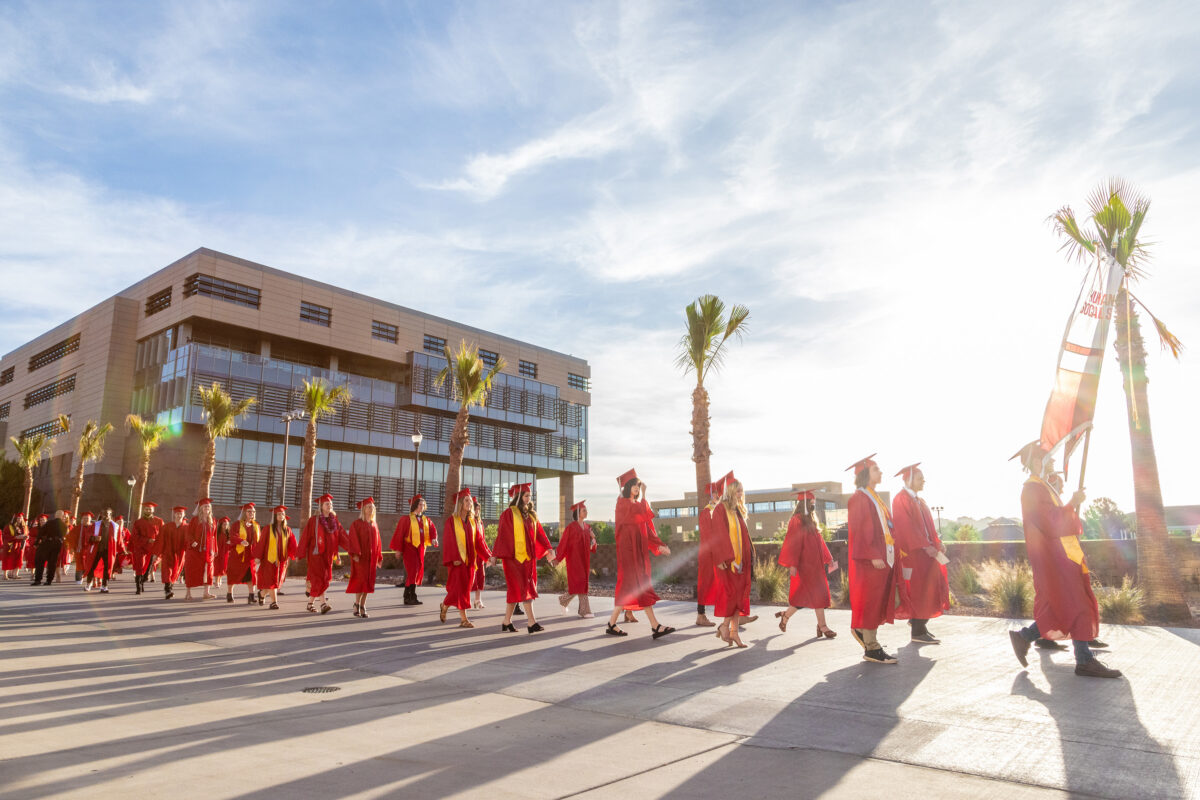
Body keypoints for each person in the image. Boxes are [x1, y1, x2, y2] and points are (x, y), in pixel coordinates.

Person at [1007, 441, 1121, 679]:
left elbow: (1056, 518)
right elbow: (1049, 521)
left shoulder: (1042, 486)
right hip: (1053, 558)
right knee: (1075, 604)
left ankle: (1025, 637)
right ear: (1038, 461)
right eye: (1050, 458)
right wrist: (1072, 504)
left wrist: (1070, 505)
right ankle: (1084, 660)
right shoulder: (1032, 489)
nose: (1054, 462)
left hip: (1061, 554)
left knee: (1063, 606)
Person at [846, 454, 909, 665]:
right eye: (876, 470)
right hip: (871, 560)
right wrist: (873, 554)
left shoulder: (874, 496)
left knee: (883, 599)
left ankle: (863, 631)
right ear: (865, 474)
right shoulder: (859, 498)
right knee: (872, 601)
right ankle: (872, 648)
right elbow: (860, 530)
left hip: (885, 557)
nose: (880, 472)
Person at [606, 469, 675, 640]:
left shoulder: (636, 505)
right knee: (635, 586)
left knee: (631, 588)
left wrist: (659, 546)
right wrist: (645, 494)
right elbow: (638, 516)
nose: (637, 488)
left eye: (639, 485)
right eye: (635, 485)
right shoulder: (622, 504)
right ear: (628, 486)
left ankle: (612, 624)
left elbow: (647, 529)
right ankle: (655, 626)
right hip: (628, 554)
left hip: (638, 554)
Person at [891, 464, 949, 644]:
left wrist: (937, 543)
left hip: (927, 553)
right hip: (914, 554)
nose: (923, 481)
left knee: (930, 589)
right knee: (919, 590)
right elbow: (906, 528)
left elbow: (928, 528)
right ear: (909, 480)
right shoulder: (901, 499)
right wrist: (925, 546)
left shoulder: (919, 500)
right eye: (919, 478)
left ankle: (920, 625)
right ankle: (917, 630)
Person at [491, 483, 554, 632]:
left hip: (527, 558)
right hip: (513, 559)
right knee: (524, 588)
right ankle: (532, 622)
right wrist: (494, 555)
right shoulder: (508, 514)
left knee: (516, 590)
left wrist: (549, 548)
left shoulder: (531, 515)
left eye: (529, 496)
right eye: (526, 496)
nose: (528, 499)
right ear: (519, 497)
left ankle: (506, 621)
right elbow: (502, 536)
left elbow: (540, 533)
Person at [776, 491, 838, 638]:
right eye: (810, 501)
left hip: (815, 565)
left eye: (813, 502)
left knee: (817, 595)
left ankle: (788, 617)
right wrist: (793, 564)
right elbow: (793, 542)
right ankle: (821, 626)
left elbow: (820, 542)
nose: (813, 504)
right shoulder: (797, 520)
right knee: (807, 595)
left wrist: (828, 559)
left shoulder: (811, 520)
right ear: (803, 503)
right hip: (804, 565)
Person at [710, 475, 754, 648]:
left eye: (742, 490)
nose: (740, 493)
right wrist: (726, 559)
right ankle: (724, 626)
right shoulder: (721, 509)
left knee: (738, 598)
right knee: (731, 596)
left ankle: (733, 632)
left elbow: (743, 537)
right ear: (730, 491)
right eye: (737, 490)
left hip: (741, 562)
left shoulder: (738, 510)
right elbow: (719, 535)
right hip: (728, 562)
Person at [440, 488, 491, 628]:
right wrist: (454, 557)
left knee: (464, 589)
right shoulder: (452, 521)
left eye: (470, 501)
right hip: (458, 561)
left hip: (470, 562)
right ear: (461, 503)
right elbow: (449, 540)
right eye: (466, 500)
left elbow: (479, 542)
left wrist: (488, 556)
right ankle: (464, 619)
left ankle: (444, 605)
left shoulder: (473, 522)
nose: (469, 503)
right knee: (460, 589)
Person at [297, 493, 346, 614]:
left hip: (328, 556)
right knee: (318, 579)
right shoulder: (314, 520)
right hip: (316, 554)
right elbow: (305, 537)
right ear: (321, 506)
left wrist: (349, 550)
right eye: (327, 503)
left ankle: (310, 604)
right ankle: (323, 604)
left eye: (330, 504)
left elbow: (341, 537)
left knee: (325, 579)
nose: (329, 505)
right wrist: (300, 553)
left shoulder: (334, 521)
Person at [391, 495, 438, 606]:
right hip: (409, 548)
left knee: (417, 572)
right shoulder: (406, 519)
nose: (422, 506)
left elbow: (433, 530)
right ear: (415, 506)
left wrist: (434, 539)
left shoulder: (426, 520)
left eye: (423, 504)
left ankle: (409, 596)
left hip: (421, 549)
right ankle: (410, 596)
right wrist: (398, 549)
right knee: (413, 571)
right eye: (420, 504)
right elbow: (399, 535)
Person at [555, 500, 596, 618]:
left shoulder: (588, 527)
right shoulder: (571, 527)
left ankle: (563, 600)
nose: (586, 512)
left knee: (580, 585)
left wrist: (593, 538)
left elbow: (591, 545)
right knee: (580, 583)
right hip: (574, 560)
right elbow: (564, 543)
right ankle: (585, 611)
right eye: (584, 510)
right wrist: (558, 558)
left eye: (586, 510)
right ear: (578, 512)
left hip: (584, 560)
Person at [695, 477, 725, 627]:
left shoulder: (718, 511)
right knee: (705, 583)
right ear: (712, 495)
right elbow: (708, 537)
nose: (718, 497)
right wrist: (717, 555)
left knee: (722, 583)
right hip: (709, 554)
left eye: (720, 494)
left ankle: (732, 614)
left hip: (717, 552)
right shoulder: (707, 512)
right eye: (716, 494)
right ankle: (701, 615)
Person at [346, 497, 383, 618]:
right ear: (363, 509)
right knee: (361, 581)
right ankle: (356, 604)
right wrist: (355, 554)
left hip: (371, 558)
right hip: (361, 558)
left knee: (368, 581)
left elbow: (378, 542)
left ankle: (363, 605)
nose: (371, 508)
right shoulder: (356, 524)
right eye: (368, 506)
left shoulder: (374, 524)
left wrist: (378, 556)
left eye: (372, 506)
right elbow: (352, 539)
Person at [253, 506, 294, 610]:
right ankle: (274, 602)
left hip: (282, 560)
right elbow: (262, 543)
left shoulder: (287, 530)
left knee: (275, 582)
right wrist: (258, 556)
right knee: (272, 582)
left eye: (283, 514)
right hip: (269, 560)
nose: (281, 516)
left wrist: (296, 554)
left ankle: (262, 594)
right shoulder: (268, 528)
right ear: (275, 516)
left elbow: (292, 544)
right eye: (279, 514)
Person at [225, 504, 261, 605]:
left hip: (250, 555)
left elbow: (259, 541)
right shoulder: (237, 524)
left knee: (251, 575)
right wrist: (241, 541)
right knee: (233, 574)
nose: (252, 513)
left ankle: (251, 596)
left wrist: (259, 554)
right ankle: (229, 594)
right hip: (238, 554)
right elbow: (232, 536)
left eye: (253, 512)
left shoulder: (256, 525)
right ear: (244, 513)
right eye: (249, 511)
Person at [184, 499, 218, 601]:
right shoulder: (195, 520)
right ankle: (188, 593)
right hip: (195, 549)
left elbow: (214, 536)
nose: (206, 508)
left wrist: (215, 549)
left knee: (209, 570)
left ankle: (206, 593)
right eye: (204, 507)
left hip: (208, 550)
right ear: (201, 508)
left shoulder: (212, 520)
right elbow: (188, 533)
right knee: (192, 570)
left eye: (208, 507)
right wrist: (192, 541)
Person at [84, 508, 123, 593]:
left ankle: (104, 585)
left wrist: (123, 550)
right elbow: (88, 535)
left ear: (111, 515)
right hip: (97, 550)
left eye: (108, 514)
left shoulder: (115, 526)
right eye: (105, 514)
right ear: (101, 515)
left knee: (107, 568)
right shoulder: (96, 525)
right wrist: (93, 538)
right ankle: (88, 583)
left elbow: (119, 540)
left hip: (108, 550)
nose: (106, 515)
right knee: (92, 567)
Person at [154, 506, 188, 600]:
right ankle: (167, 590)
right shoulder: (167, 526)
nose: (178, 515)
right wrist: (158, 553)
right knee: (167, 570)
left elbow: (188, 541)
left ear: (184, 515)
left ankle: (170, 588)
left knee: (176, 571)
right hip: (168, 551)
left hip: (180, 553)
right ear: (174, 515)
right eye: (177, 513)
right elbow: (161, 539)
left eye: (180, 513)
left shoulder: (186, 527)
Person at [130, 502, 164, 595]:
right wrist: (147, 540)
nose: (148, 511)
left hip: (153, 549)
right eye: (146, 509)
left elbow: (162, 535)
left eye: (150, 509)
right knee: (139, 566)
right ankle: (138, 586)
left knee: (149, 567)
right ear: (143, 510)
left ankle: (143, 580)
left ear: (153, 510)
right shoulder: (138, 522)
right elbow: (134, 536)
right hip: (140, 547)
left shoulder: (159, 521)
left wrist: (159, 544)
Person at [32, 510, 68, 585]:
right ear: (62, 516)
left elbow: (41, 532)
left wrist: (36, 542)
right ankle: (49, 580)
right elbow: (64, 535)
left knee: (40, 561)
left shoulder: (49, 523)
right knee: (52, 563)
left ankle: (38, 580)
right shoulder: (64, 526)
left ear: (55, 515)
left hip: (47, 543)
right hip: (57, 544)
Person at [470, 495, 488, 609]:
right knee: (471, 578)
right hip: (471, 553)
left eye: (478, 509)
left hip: (480, 555)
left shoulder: (480, 522)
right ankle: (464, 599)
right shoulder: (469, 522)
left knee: (480, 576)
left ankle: (477, 600)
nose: (477, 511)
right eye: (475, 509)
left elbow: (483, 540)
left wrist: (488, 554)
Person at [67, 511, 93, 584]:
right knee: (79, 564)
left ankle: (88, 577)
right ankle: (78, 578)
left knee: (88, 564)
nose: (86, 520)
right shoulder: (77, 528)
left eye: (87, 518)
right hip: (79, 549)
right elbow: (70, 538)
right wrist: (71, 548)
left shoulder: (93, 528)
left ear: (90, 519)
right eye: (84, 518)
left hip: (89, 550)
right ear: (82, 519)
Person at [3, 513, 29, 580]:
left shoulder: (24, 527)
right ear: (15, 519)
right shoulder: (9, 526)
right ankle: (5, 575)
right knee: (8, 559)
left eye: (20, 518)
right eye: (18, 518)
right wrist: (16, 537)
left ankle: (15, 574)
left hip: (20, 545)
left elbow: (27, 534)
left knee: (18, 559)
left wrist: (26, 537)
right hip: (11, 545)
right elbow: (5, 535)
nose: (19, 519)